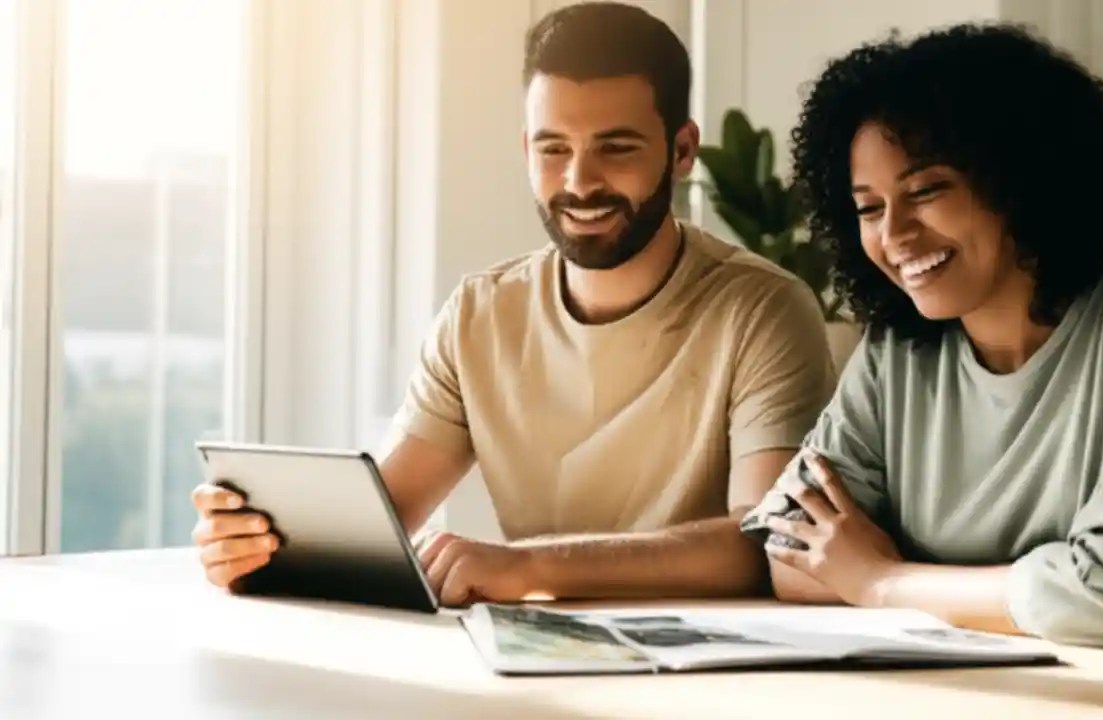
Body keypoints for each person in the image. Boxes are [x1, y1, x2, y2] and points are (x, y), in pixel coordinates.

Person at [191, 2, 834, 607]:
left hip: (712, 672)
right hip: (533, 661)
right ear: (526, 148)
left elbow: (766, 544)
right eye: (554, 149)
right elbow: (379, 523)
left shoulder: (764, 310)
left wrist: (528, 566)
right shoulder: (479, 315)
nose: (580, 183)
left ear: (682, 150)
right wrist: (255, 545)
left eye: (616, 148)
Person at [740, 23, 1103, 651]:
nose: (895, 234)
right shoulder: (897, 351)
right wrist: (1027, 591)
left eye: (926, 191)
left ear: (1019, 181)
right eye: (869, 208)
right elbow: (790, 554)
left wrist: (882, 579)